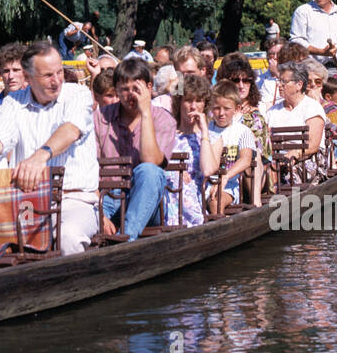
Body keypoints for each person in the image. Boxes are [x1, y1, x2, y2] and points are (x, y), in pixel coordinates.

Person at [0, 43, 100, 255]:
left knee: (69, 237)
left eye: (59, 72)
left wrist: (40, 157)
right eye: (48, 75)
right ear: (29, 78)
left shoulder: (78, 94)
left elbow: (71, 130)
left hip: (74, 201)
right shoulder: (14, 101)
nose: (57, 80)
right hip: (26, 201)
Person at [92, 58, 176, 240]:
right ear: (116, 90)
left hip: (145, 198)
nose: (131, 95)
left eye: (136, 89)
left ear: (149, 87)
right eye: (124, 89)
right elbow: (88, 170)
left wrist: (145, 112)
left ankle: (126, 240)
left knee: (150, 171)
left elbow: (151, 163)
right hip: (105, 197)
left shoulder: (164, 119)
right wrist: (100, 214)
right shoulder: (99, 118)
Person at [265, 60, 327, 184]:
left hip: (305, 159)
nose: (279, 85)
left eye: (284, 81)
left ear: (299, 85)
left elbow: (313, 145)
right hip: (276, 160)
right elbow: (265, 141)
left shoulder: (312, 108)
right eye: (279, 80)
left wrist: (294, 154)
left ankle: (288, 192)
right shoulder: (272, 111)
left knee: (286, 174)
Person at [164, 73, 211, 227]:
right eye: (188, 100)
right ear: (180, 103)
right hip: (171, 194)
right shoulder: (168, 135)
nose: (193, 107)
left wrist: (204, 131)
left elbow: (208, 170)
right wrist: (175, 170)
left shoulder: (210, 136)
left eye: (199, 101)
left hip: (200, 195)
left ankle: (196, 222)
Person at [204, 81, 258, 210]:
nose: (221, 113)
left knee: (215, 201)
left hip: (228, 186)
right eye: (217, 108)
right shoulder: (206, 129)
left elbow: (245, 159)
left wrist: (226, 176)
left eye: (226, 109)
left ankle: (219, 220)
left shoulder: (242, 131)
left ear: (237, 109)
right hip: (203, 183)